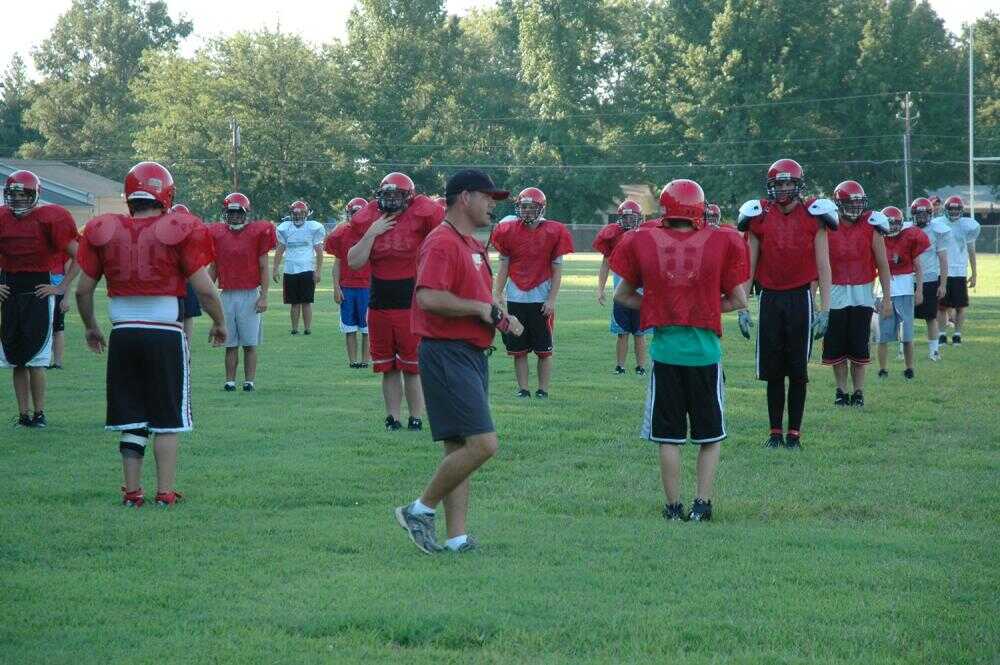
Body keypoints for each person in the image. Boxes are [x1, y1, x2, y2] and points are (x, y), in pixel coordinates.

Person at [74, 162, 226, 507]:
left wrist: (91, 328)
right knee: (166, 417)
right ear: (165, 194)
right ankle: (165, 493)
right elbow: (204, 290)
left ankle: (132, 493)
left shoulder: (107, 229)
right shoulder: (177, 228)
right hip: (163, 334)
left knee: (131, 413)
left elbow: (83, 291)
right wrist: (220, 322)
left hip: (124, 334)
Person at [395, 169, 523, 554]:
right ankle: (419, 509)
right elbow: (429, 298)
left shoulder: (469, 243)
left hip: (468, 353)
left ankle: (457, 538)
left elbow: (478, 298)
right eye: (488, 197)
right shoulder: (442, 243)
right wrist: (481, 309)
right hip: (447, 353)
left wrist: (501, 315)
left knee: (459, 447)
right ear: (464, 197)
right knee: (483, 444)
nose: (493, 205)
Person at [611, 179, 748, 522]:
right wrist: (701, 308)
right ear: (698, 208)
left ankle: (673, 508)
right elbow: (738, 299)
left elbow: (622, 295)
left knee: (668, 437)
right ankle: (702, 505)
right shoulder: (722, 240)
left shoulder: (643, 239)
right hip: (705, 355)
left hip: (666, 355)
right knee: (709, 436)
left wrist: (660, 307)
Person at [737, 159, 835, 449]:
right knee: (773, 370)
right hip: (769, 297)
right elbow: (749, 266)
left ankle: (794, 433)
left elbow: (824, 265)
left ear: (798, 184)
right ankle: (774, 432)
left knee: (798, 371)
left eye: (788, 183)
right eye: (778, 184)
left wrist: (825, 308)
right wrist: (743, 306)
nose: (783, 188)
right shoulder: (759, 216)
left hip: (800, 297)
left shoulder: (813, 215)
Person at [347, 172, 444, 431]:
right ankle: (392, 417)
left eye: (396, 194)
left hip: (410, 300)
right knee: (387, 366)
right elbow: (354, 262)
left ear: (408, 197)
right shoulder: (368, 218)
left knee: (412, 367)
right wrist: (371, 233)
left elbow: (443, 232)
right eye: (386, 194)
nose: (390, 200)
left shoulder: (423, 213)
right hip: (379, 300)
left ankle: (415, 417)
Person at [0, 170, 79, 427]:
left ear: (35, 195)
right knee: (16, 359)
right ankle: (23, 414)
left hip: (38, 292)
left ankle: (39, 413)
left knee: (36, 359)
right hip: (9, 291)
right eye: (13, 195)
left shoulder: (50, 218)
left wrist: (61, 288)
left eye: (23, 195)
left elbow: (80, 255)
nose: (18, 200)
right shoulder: (2, 218)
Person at [491, 187, 574, 398]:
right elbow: (504, 267)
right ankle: (523, 389)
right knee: (518, 350)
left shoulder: (554, 232)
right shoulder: (508, 230)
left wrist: (552, 299)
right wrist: (497, 292)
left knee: (544, 351)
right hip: (517, 298)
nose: (527, 211)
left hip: (540, 299)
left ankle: (543, 390)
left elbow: (557, 271)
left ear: (541, 208)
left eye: (531, 207)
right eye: (524, 207)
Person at [823, 180, 893, 407]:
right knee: (837, 347)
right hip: (834, 291)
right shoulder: (827, 225)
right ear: (838, 203)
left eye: (857, 203)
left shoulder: (871, 226)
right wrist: (817, 299)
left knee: (859, 345)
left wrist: (887, 299)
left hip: (863, 292)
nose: (854, 208)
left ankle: (859, 391)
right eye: (849, 203)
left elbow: (883, 264)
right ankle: (841, 391)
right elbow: (819, 264)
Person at [208, 193, 276, 392]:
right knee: (229, 343)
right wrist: (206, 292)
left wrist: (263, 296)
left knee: (249, 342)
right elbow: (213, 267)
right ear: (225, 213)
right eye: (231, 212)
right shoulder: (217, 234)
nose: (235, 216)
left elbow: (264, 267)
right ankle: (229, 381)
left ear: (245, 213)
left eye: (239, 212)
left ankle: (249, 381)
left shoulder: (257, 233)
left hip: (249, 293)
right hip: (226, 294)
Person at [593, 200, 648, 375]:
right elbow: (605, 264)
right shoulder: (614, 236)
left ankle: (641, 366)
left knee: (640, 333)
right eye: (627, 217)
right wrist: (600, 289)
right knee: (622, 332)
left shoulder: (646, 235)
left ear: (640, 218)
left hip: (640, 292)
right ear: (620, 218)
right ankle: (620, 366)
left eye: (633, 218)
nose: (630, 221)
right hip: (620, 293)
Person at [876, 206, 929, 380]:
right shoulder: (876, 238)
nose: (891, 227)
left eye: (895, 224)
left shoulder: (909, 237)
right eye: (889, 224)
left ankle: (909, 368)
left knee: (907, 335)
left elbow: (918, 267)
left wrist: (919, 289)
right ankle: (883, 369)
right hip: (883, 291)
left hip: (905, 289)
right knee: (882, 335)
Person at [325, 197, 371, 368]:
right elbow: (337, 263)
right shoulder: (341, 233)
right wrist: (336, 287)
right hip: (348, 286)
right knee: (349, 328)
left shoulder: (373, 232)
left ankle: (365, 361)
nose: (357, 216)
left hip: (367, 286)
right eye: (353, 213)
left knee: (367, 329)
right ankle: (353, 362)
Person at [273, 200, 324, 335]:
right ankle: (295, 329)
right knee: (294, 303)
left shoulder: (313, 228)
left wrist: (318, 270)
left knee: (306, 301)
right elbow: (280, 249)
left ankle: (307, 328)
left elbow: (319, 250)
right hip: (290, 269)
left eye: (301, 213)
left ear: (306, 214)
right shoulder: (285, 228)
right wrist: (275, 268)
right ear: (291, 214)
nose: (298, 216)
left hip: (307, 269)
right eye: (295, 214)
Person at [935, 196, 980, 347]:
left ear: (961, 210)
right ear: (946, 210)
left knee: (960, 306)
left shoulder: (968, 226)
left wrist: (974, 273)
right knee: (941, 306)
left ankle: (957, 335)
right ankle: (941, 335)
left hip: (960, 270)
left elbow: (971, 250)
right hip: (942, 271)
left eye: (956, 209)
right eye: (951, 209)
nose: (954, 211)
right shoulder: (938, 223)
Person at [908, 197, 949, 361]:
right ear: (913, 214)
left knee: (931, 317)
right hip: (908, 279)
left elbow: (943, 259)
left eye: (926, 214)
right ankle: (903, 349)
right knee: (906, 317)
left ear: (931, 214)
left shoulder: (937, 231)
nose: (922, 217)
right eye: (919, 214)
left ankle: (934, 351)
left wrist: (943, 284)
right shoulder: (906, 230)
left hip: (930, 279)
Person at [171, 204, 203, 340]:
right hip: (172, 285)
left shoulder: (191, 238)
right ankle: (181, 344)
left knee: (188, 314)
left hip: (186, 282)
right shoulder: (165, 237)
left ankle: (186, 345)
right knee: (175, 316)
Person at [48, 249, 78, 369]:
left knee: (57, 328)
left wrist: (65, 299)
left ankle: (57, 362)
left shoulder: (64, 250)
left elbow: (69, 276)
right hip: (42, 292)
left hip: (58, 293)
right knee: (43, 328)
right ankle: (44, 361)